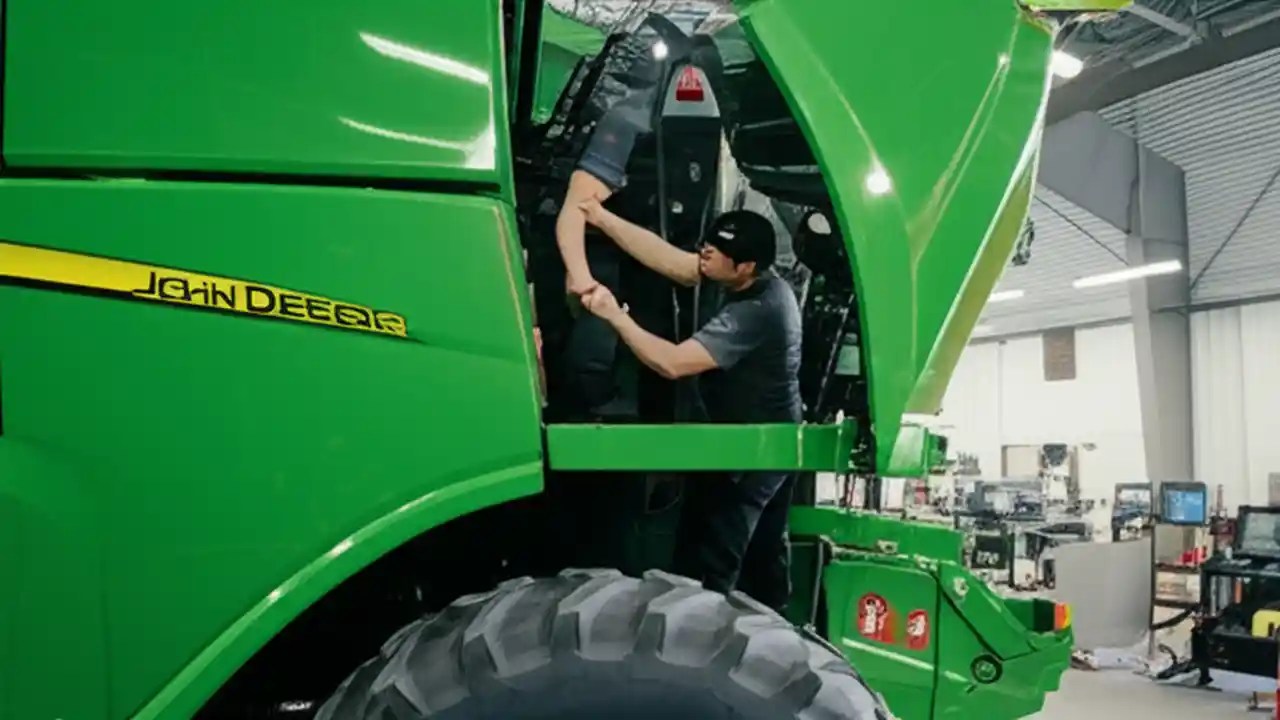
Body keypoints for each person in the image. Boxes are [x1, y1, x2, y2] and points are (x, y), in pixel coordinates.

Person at [574, 197, 803, 613]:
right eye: (707, 244)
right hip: (749, 439)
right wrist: (601, 216)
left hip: (757, 452)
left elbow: (672, 363)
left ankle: (708, 641)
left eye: (716, 250)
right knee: (765, 552)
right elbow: (670, 260)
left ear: (746, 267)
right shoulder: (737, 278)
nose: (704, 253)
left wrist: (614, 315)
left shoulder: (758, 310)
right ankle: (773, 624)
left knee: (720, 556)